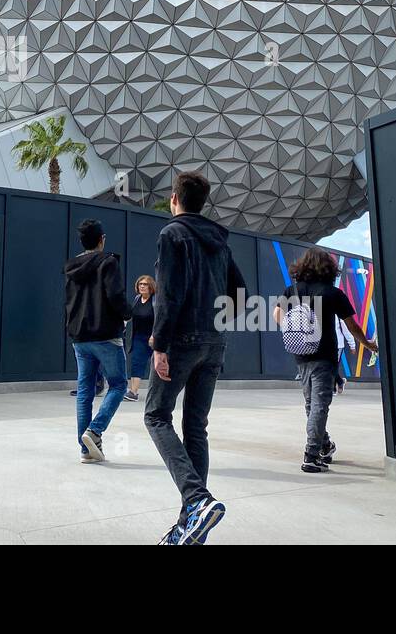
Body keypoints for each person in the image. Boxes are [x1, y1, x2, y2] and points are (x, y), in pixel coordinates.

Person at [145, 171, 247, 545]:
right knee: (195, 427)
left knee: (155, 415)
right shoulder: (219, 241)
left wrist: (159, 345)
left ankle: (196, 499)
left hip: (181, 341)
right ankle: (194, 522)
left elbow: (169, 294)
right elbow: (241, 293)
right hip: (214, 343)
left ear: (175, 199)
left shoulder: (171, 234)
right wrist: (214, 323)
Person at [271, 248, 377, 472]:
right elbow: (352, 326)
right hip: (324, 356)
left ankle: (325, 445)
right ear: (329, 268)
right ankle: (311, 455)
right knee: (319, 406)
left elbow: (276, 313)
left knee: (312, 405)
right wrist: (367, 344)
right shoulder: (332, 293)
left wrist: (289, 329)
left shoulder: (293, 290)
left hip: (300, 354)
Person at [64, 218, 129, 464]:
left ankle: (86, 450)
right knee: (118, 385)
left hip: (79, 337)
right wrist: (127, 314)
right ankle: (95, 431)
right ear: (101, 240)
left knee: (85, 391)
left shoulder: (71, 267)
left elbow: (68, 302)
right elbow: (115, 295)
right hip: (106, 335)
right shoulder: (108, 262)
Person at [124, 275, 156, 400]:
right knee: (136, 363)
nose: (142, 286)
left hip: (153, 338)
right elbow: (131, 315)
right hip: (139, 337)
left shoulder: (155, 301)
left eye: (145, 284)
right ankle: (133, 392)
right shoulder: (137, 298)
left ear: (151, 287)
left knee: (158, 366)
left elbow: (159, 319)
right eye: (140, 284)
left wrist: (154, 335)